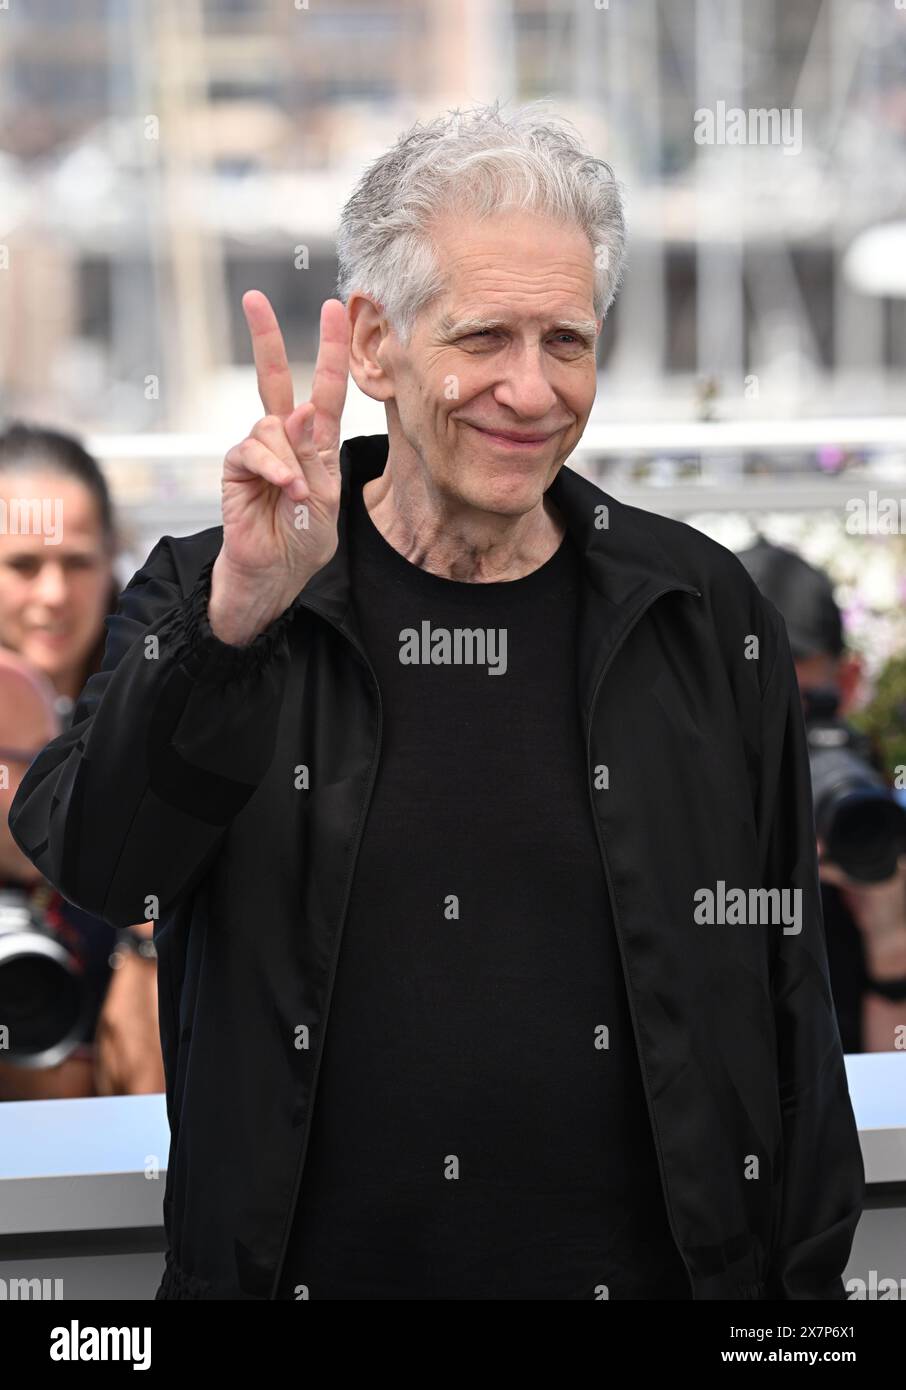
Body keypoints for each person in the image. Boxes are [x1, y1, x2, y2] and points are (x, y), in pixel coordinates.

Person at [9, 100, 863, 1301]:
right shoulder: (215, 596)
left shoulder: (702, 613)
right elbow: (104, 865)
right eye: (485, 338)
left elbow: (791, 1006)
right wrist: (234, 629)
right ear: (373, 347)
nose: (530, 390)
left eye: (567, 341)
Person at [0, 425, 164, 1097]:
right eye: (22, 567)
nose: (53, 595)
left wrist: (151, 948)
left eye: (75, 562)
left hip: (141, 1087)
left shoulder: (165, 688)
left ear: (111, 564)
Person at [736, 537, 906, 1054]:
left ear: (850, 680)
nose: (781, 736)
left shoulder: (882, 829)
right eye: (750, 704)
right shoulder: (665, 823)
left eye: (804, 706)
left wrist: (891, 944)